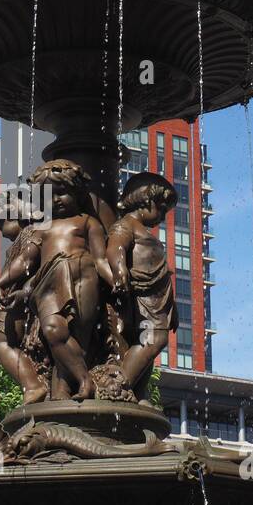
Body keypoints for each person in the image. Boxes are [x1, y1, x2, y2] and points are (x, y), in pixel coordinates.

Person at [25, 159, 112, 400]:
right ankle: (86, 380)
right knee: (54, 331)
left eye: (61, 193)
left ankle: (61, 394)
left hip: (83, 277)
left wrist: (116, 283)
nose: (55, 201)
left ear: (77, 191)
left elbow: (101, 259)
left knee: (78, 336)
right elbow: (26, 260)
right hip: (47, 284)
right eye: (48, 196)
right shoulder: (42, 227)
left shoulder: (87, 222)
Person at [107, 171, 178, 403]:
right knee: (153, 339)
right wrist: (119, 272)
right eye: (162, 209)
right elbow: (115, 249)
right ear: (146, 200)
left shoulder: (142, 230)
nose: (163, 217)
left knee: (149, 342)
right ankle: (118, 384)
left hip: (156, 298)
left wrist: (172, 308)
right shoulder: (126, 225)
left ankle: (138, 390)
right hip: (140, 297)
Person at [0, 187, 48, 403]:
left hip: (18, 306)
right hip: (16, 303)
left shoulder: (33, 233)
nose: (0, 232)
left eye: (0, 223)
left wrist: (1, 282)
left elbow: (27, 260)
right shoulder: (26, 236)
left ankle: (33, 385)